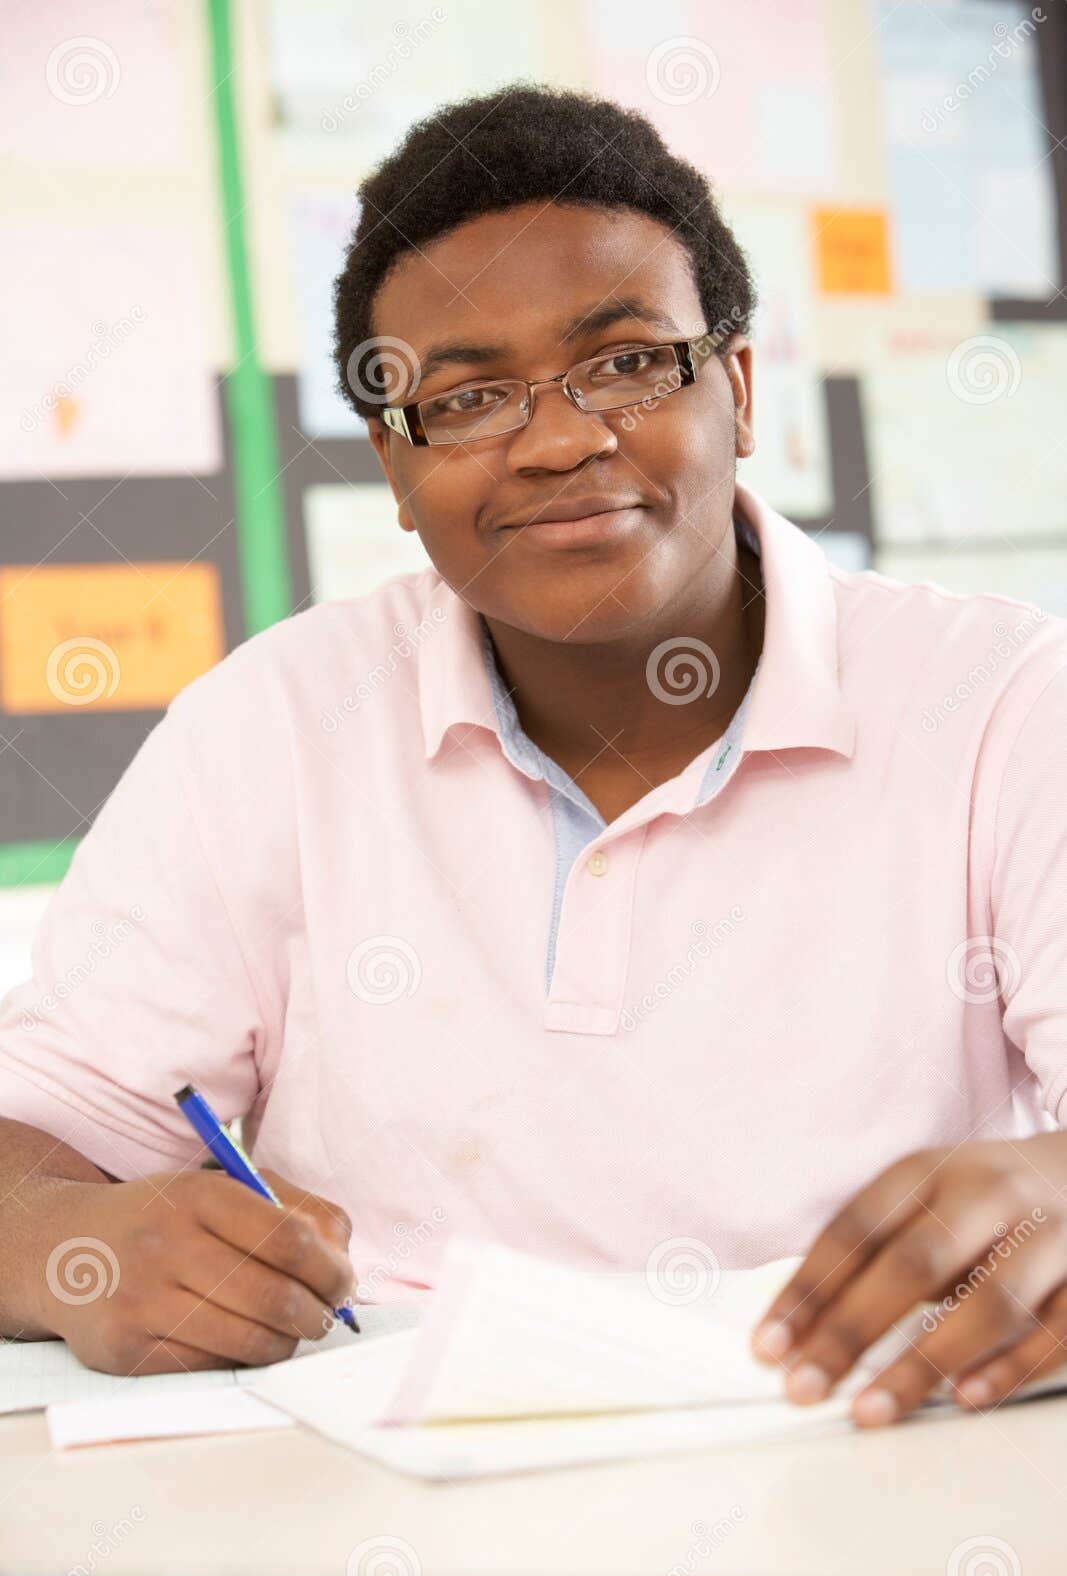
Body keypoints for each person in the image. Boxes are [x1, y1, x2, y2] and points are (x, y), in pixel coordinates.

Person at [1, 86, 1066, 1427]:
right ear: (395, 465)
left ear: (738, 390)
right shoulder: (271, 725)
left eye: (625, 364)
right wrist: (65, 1246)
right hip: (380, 1480)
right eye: (467, 399)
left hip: (868, 1448)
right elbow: (36, 1140)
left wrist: (1052, 1185)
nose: (562, 441)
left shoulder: (1005, 702)